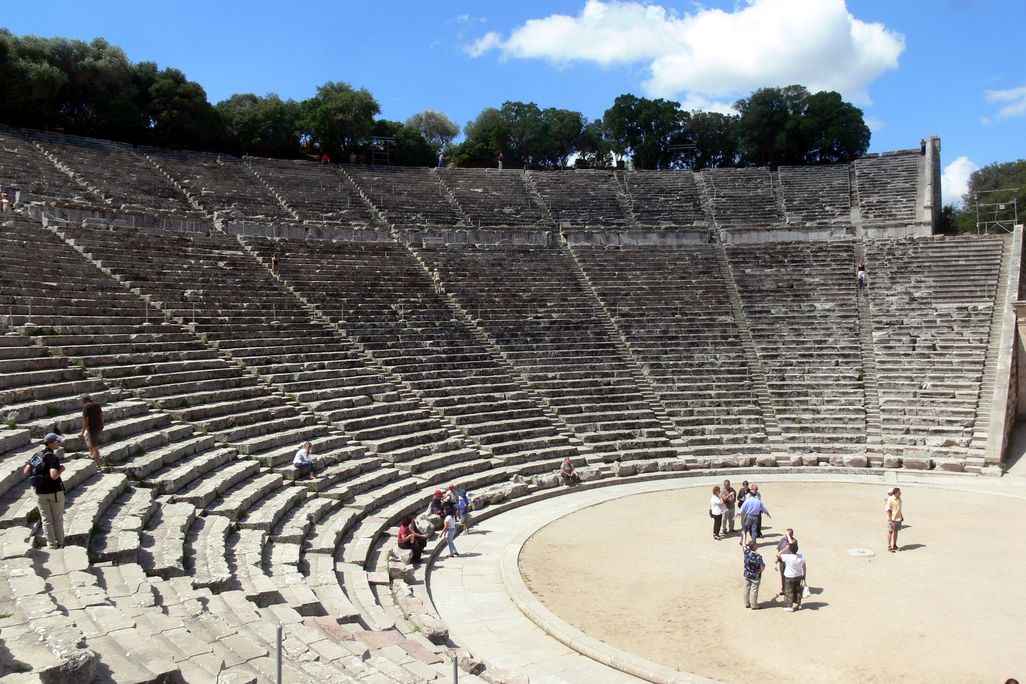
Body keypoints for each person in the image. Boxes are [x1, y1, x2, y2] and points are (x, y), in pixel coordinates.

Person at [24, 433, 66, 549]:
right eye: (57, 441)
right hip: (54, 492)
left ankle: (51, 544)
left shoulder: (37, 455)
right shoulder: (52, 457)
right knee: (57, 518)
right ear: (50, 443)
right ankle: (60, 542)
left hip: (40, 492)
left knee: (46, 519)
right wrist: (61, 469)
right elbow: (54, 475)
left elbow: (26, 471)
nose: (59, 443)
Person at [777, 541, 806, 612]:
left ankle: (789, 606)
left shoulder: (787, 557)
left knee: (788, 591)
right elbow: (804, 566)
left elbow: (777, 554)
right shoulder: (801, 556)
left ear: (790, 549)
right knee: (798, 591)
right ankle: (798, 604)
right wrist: (804, 575)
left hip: (789, 576)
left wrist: (785, 549)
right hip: (798, 575)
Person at [79, 394, 104, 470]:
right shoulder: (97, 405)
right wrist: (101, 424)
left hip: (92, 429)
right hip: (99, 427)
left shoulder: (86, 407)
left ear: (83, 400)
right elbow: (102, 415)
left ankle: (98, 466)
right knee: (88, 439)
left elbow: (86, 420)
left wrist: (82, 432)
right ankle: (91, 453)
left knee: (94, 447)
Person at [742, 539, 765, 609]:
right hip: (755, 575)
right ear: (754, 546)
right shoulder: (758, 556)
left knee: (746, 588)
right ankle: (754, 605)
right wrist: (760, 571)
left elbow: (743, 545)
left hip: (747, 573)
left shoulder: (746, 552)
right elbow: (762, 566)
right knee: (754, 590)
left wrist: (744, 535)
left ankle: (746, 603)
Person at [776, 528, 798, 595]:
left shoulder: (794, 541)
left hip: (790, 561)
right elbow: (779, 549)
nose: (786, 535)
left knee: (790, 576)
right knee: (783, 575)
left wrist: (788, 536)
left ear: (791, 534)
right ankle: (784, 589)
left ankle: (791, 589)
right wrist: (777, 559)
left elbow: (791, 544)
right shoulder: (782, 539)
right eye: (786, 534)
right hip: (782, 560)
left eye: (787, 534)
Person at [886, 487, 904, 552]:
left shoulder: (899, 498)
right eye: (899, 492)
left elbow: (899, 508)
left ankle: (894, 545)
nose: (900, 493)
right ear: (895, 493)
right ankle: (889, 547)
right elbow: (889, 510)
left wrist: (901, 516)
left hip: (898, 518)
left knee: (896, 532)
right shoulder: (890, 499)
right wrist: (890, 520)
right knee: (890, 532)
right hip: (892, 519)